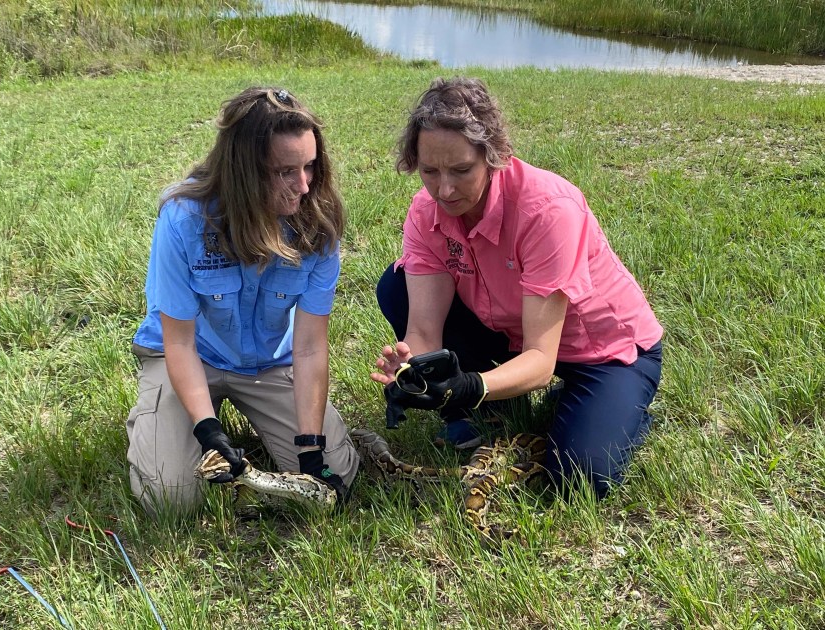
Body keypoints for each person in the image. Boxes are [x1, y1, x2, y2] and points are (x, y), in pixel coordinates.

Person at [371, 77, 663, 498]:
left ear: (494, 156)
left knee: (580, 479)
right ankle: (490, 409)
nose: (444, 189)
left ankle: (619, 407)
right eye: (429, 171)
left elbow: (542, 361)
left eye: (461, 170)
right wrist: (412, 370)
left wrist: (471, 385)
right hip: (511, 333)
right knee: (396, 287)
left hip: (602, 352)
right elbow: (423, 331)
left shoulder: (546, 210)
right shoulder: (426, 212)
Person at [126, 87, 358, 515]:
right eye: (285, 171)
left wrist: (310, 449)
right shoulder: (183, 219)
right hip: (190, 354)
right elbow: (178, 342)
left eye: (309, 167)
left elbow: (309, 345)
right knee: (169, 498)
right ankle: (169, 419)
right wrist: (208, 430)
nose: (303, 186)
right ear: (242, 169)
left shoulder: (319, 225)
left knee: (335, 473)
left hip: (269, 361)